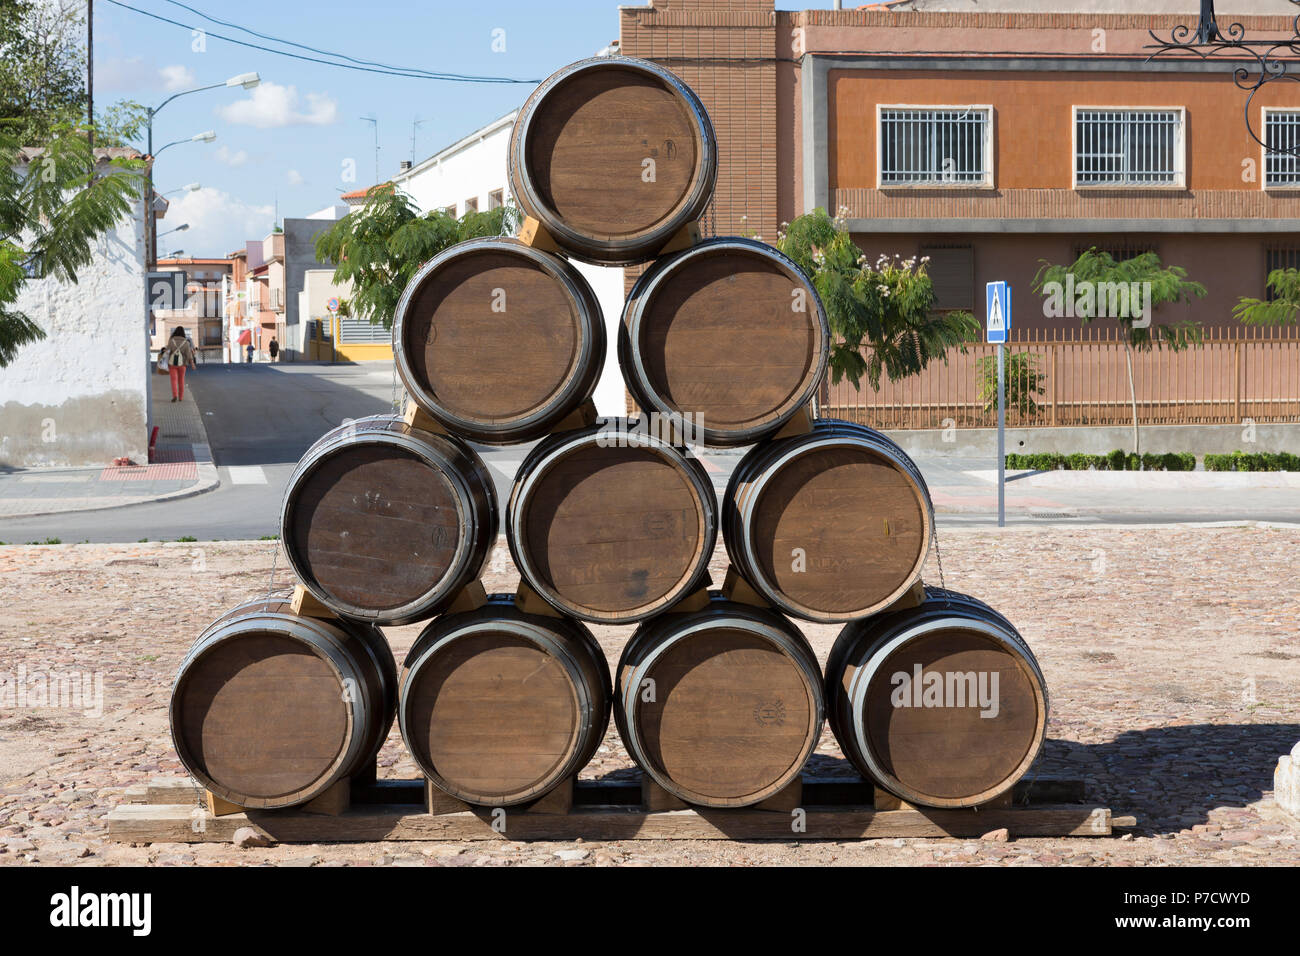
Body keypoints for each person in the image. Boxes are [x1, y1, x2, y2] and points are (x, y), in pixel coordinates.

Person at [166, 327, 196, 402]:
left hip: (172, 364)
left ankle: (175, 395)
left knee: (173, 380)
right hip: (182, 364)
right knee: (181, 380)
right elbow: (189, 354)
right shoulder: (186, 342)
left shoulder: (171, 341)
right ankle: (181, 397)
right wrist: (192, 364)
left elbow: (167, 352)